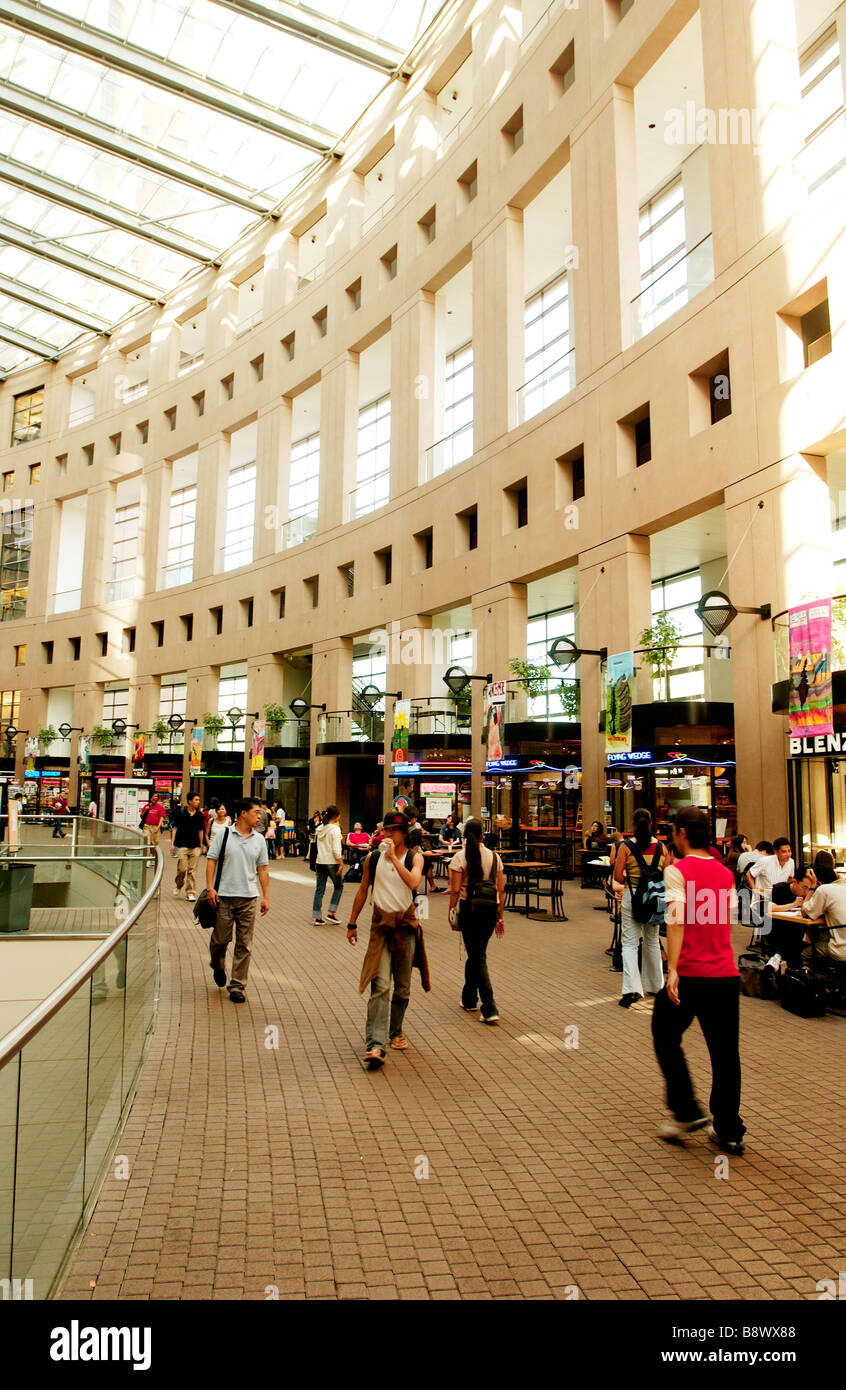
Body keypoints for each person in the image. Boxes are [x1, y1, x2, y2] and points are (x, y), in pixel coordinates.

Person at [652, 806, 745, 1155]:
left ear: (682, 834)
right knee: (725, 1054)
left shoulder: (678, 871)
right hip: (725, 974)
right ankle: (729, 1129)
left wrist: (672, 969)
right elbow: (728, 919)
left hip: (692, 972)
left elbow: (675, 921)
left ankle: (686, 1109)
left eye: (674, 831)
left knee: (664, 1032)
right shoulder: (724, 874)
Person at [346, 810, 429, 1068]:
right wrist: (351, 923)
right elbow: (362, 890)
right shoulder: (373, 858)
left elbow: (414, 882)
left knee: (402, 988)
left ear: (404, 834)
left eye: (393, 831)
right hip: (380, 927)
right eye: (385, 830)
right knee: (380, 985)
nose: (388, 835)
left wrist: (394, 858)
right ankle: (375, 1044)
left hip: (404, 927)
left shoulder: (415, 857)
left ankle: (396, 1031)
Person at [206, 796, 270, 1004]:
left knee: (245, 944)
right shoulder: (224, 835)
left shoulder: (260, 840)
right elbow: (211, 861)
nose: (259, 816)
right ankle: (218, 965)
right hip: (224, 896)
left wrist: (266, 897)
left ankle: (237, 985)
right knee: (220, 941)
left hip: (249, 898)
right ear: (243, 813)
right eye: (256, 812)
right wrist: (210, 889)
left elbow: (263, 869)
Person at [448, 818, 505, 1023]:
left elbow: (455, 890)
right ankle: (469, 998)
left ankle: (489, 1006)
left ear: (464, 836)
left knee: (477, 956)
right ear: (483, 835)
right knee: (477, 954)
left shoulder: (459, 857)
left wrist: (451, 913)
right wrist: (500, 915)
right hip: (490, 910)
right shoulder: (495, 857)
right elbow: (500, 889)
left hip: (468, 909)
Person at [613, 808, 669, 1008]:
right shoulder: (662, 848)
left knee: (629, 943)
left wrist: (634, 876)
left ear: (634, 824)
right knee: (652, 941)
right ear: (652, 823)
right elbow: (668, 874)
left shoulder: (625, 847)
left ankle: (632, 989)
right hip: (654, 900)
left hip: (632, 896)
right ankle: (656, 985)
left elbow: (618, 876)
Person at [800, 851, 846, 963]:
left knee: (804, 953)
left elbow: (805, 913)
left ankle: (813, 978)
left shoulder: (824, 890)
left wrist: (812, 888)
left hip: (841, 949)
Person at [170, 792, 207, 901]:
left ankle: (190, 892)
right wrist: (172, 843)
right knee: (182, 869)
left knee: (192, 870)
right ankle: (178, 885)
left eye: (199, 800)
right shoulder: (180, 813)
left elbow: (201, 830)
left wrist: (201, 845)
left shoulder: (199, 815)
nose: (198, 802)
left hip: (195, 845)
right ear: (190, 801)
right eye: (196, 800)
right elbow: (175, 828)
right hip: (182, 845)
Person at [312, 805, 345, 924]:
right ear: (336, 816)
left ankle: (317, 917)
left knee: (319, 889)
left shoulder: (320, 828)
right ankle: (331, 913)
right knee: (338, 886)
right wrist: (341, 863)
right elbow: (336, 849)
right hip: (332, 862)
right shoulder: (335, 829)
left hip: (320, 861)